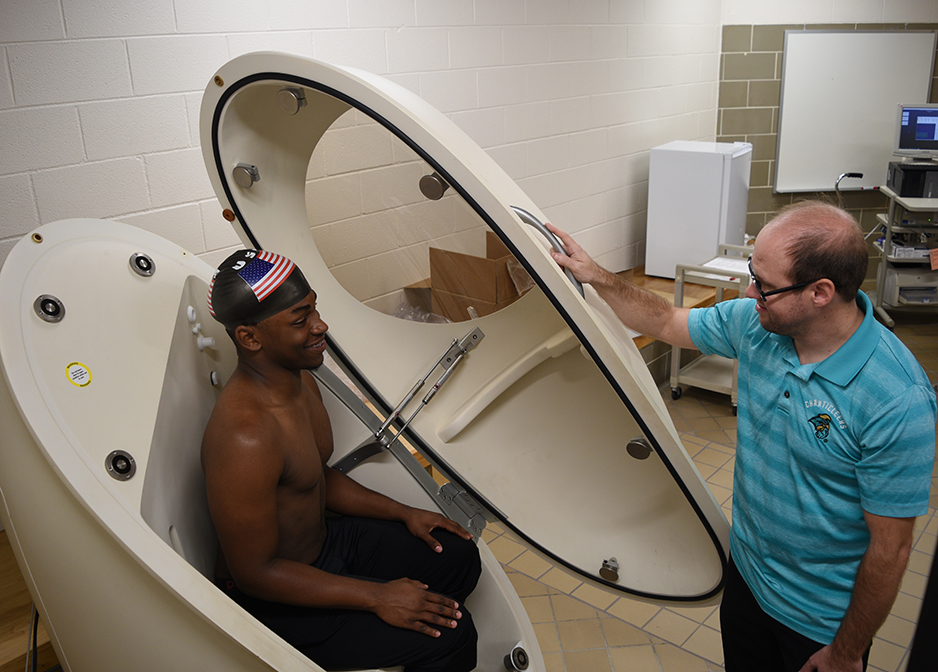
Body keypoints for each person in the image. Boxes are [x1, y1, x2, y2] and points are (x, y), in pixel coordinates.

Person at [547, 201, 936, 672]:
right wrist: (598, 277)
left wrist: (846, 652)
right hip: (747, 582)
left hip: (819, 622)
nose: (751, 291)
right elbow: (667, 321)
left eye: (765, 285)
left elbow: (890, 549)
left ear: (820, 292)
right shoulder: (756, 324)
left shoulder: (897, 398)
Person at [201, 249, 481, 672]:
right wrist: (377, 596)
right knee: (453, 638)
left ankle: (409, 631)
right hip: (274, 598)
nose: (320, 326)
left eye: (314, 309)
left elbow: (314, 477)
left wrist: (404, 513)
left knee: (458, 556)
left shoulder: (300, 379)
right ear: (250, 338)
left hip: (324, 544)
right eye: (300, 320)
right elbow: (254, 574)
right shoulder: (245, 438)